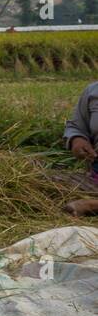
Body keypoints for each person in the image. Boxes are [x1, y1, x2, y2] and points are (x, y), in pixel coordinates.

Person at [63, 80, 98, 215]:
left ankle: (91, 206)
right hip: (95, 177)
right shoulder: (93, 91)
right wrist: (77, 140)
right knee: (46, 184)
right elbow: (76, 127)